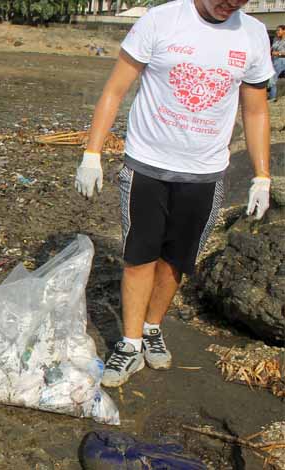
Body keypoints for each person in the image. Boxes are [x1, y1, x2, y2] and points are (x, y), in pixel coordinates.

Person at [75, 0, 273, 387]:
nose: (230, 4)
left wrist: (262, 175)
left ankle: (152, 328)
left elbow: (256, 111)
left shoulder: (252, 35)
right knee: (138, 257)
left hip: (205, 174)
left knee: (175, 262)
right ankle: (130, 343)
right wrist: (92, 153)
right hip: (147, 166)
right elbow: (115, 91)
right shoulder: (161, 20)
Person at [268, 25, 285, 100]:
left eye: (279, 30)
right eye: (276, 30)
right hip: (274, 61)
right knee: (272, 80)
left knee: (274, 81)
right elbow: (272, 49)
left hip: (282, 61)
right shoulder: (275, 39)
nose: (277, 32)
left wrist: (278, 53)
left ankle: (273, 98)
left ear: (284, 31)